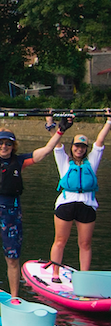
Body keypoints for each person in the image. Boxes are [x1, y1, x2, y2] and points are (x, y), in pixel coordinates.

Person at [0, 112, 57, 301]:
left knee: (12, 258)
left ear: (13, 146)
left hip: (11, 211)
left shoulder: (20, 161)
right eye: (0, 143)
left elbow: (46, 151)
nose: (3, 146)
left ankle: (15, 297)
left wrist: (60, 131)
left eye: (7, 143)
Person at [46, 112, 111, 279]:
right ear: (72, 147)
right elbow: (56, 143)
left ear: (86, 149)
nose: (79, 149)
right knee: (60, 241)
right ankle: (55, 273)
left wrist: (109, 121)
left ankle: (85, 277)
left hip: (87, 206)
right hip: (66, 205)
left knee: (85, 244)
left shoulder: (93, 161)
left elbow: (100, 141)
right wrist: (50, 123)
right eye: (76, 146)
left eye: (82, 147)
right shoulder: (64, 162)